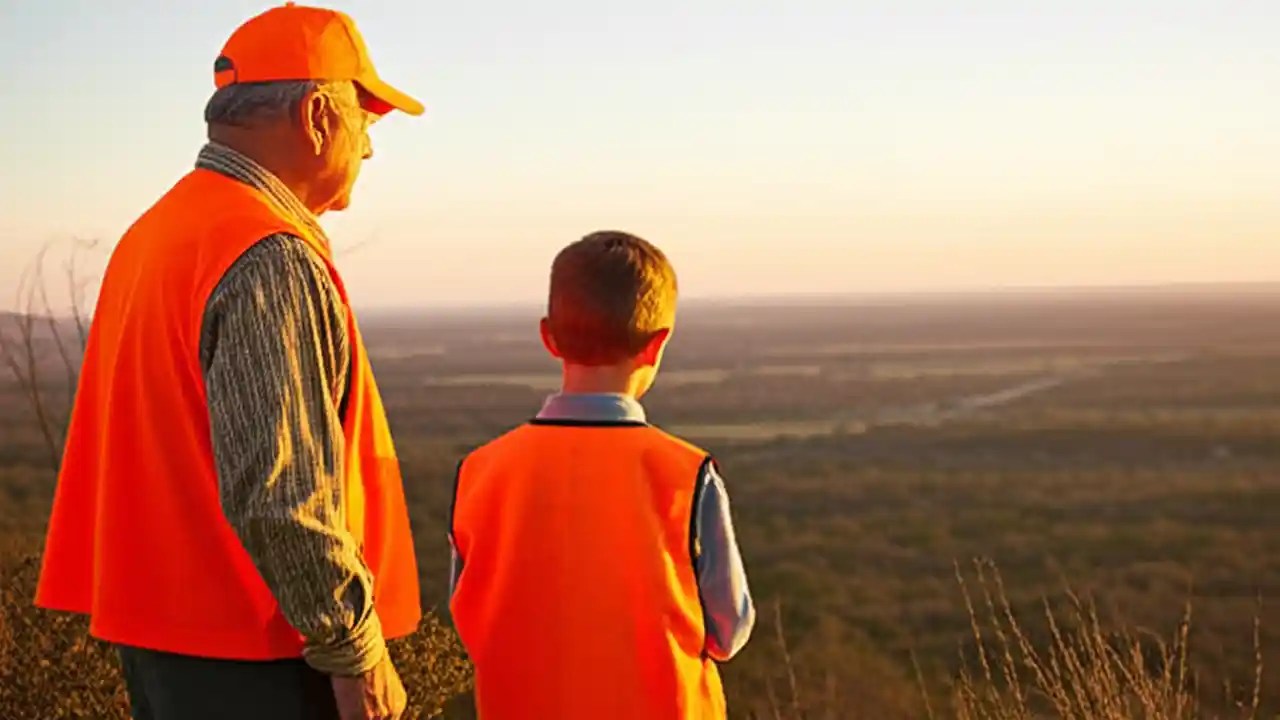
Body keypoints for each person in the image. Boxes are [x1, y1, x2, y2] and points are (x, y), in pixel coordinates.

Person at [34, 5, 426, 719]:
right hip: (260, 659)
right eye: (365, 117)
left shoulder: (157, 234)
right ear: (317, 116)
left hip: (169, 651)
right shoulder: (264, 253)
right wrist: (355, 650)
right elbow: (280, 494)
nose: (369, 147)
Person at [448, 231, 757, 719]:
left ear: (548, 336)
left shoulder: (481, 471)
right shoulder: (686, 473)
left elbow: (469, 618)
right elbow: (728, 628)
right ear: (657, 346)